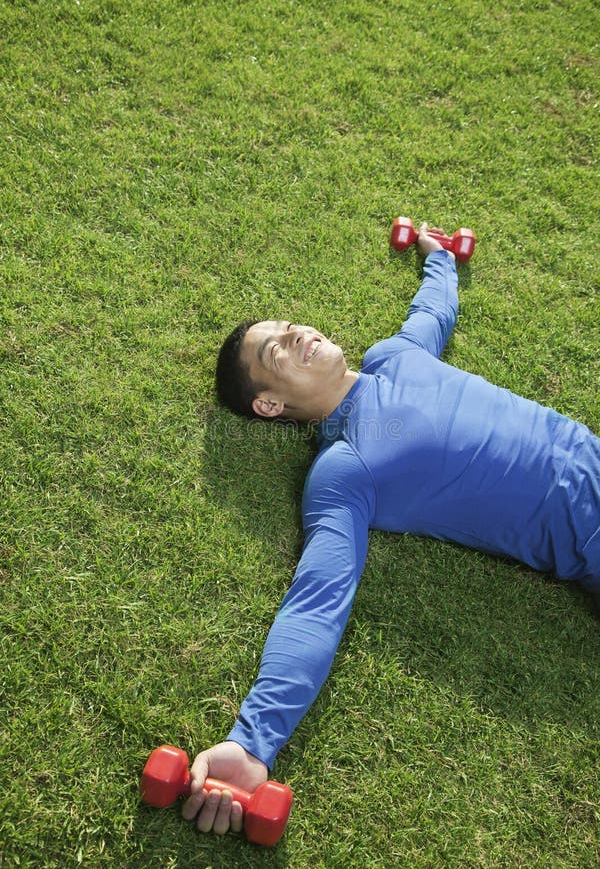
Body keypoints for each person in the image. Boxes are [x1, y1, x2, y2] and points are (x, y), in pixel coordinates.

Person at [182, 224, 600, 837]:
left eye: (287, 324)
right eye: (275, 350)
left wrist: (439, 260)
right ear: (269, 405)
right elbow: (317, 601)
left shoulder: (393, 355)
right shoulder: (345, 468)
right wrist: (252, 741)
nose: (296, 332)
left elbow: (433, 313)